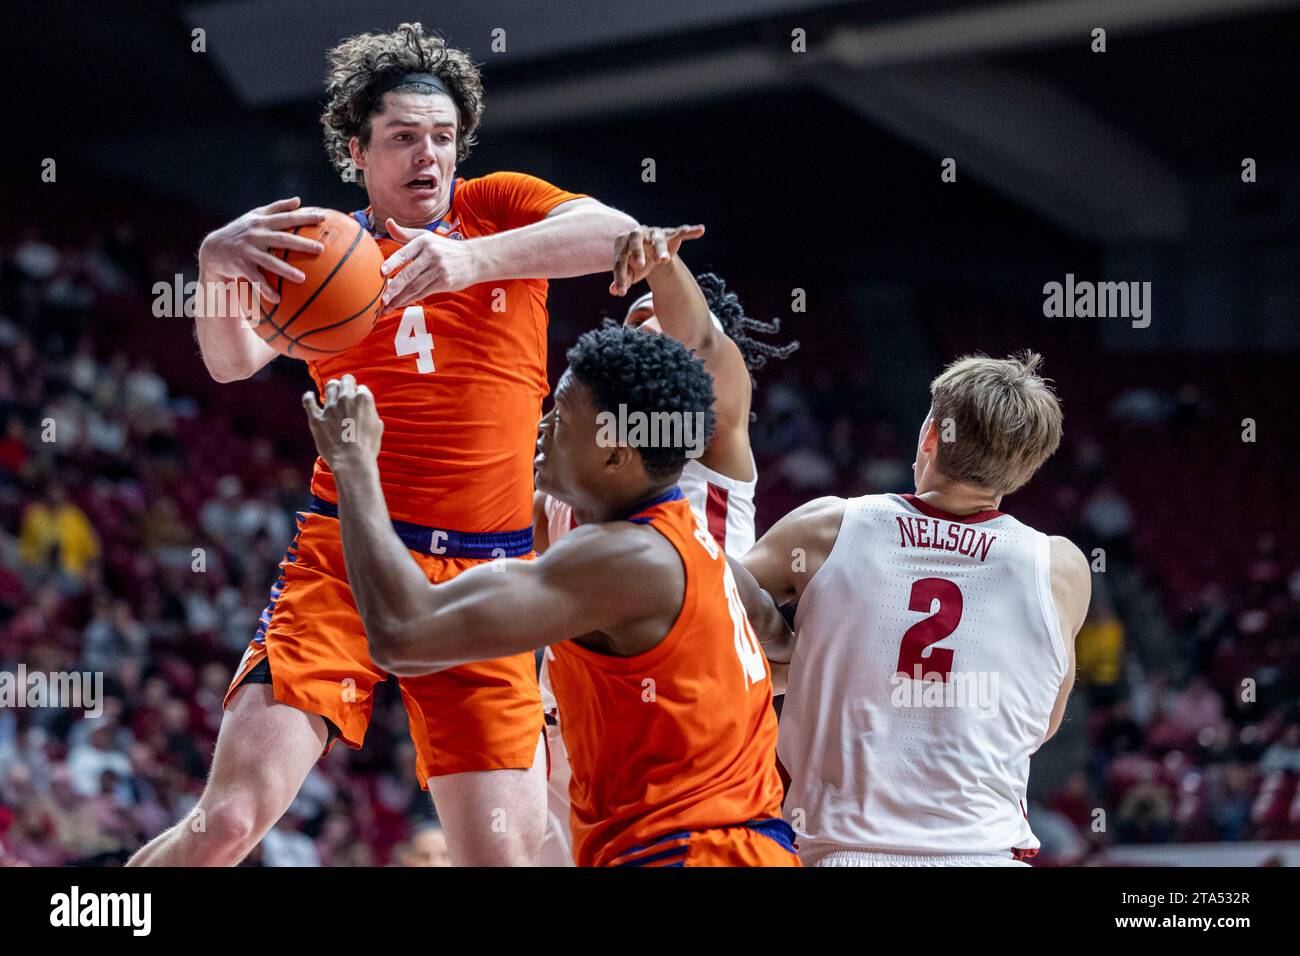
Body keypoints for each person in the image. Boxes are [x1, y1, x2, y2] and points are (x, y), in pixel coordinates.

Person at [130, 22, 637, 868]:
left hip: (491, 575)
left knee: (505, 858)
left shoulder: (498, 209)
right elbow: (231, 362)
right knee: (224, 825)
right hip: (349, 561)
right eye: (402, 138)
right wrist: (216, 265)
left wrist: (472, 264)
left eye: (442, 138)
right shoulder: (324, 252)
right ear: (356, 152)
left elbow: (620, 234)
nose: (427, 157)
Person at [303, 326, 799, 867]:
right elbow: (787, 652)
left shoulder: (623, 562)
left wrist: (354, 468)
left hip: (690, 852)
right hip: (737, 847)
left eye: (562, 418)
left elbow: (403, 634)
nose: (543, 426)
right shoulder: (707, 554)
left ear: (615, 456)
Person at [743, 352, 1091, 866]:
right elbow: (1041, 723)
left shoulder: (826, 527)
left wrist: (805, 665)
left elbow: (709, 623)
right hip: (987, 853)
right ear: (1026, 469)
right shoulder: (1061, 568)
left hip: (842, 852)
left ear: (930, 434)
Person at [531, 223, 797, 863]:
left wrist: (661, 265)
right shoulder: (564, 477)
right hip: (570, 729)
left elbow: (699, 340)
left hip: (686, 723)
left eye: (655, 319)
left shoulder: (709, 430)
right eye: (630, 323)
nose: (640, 338)